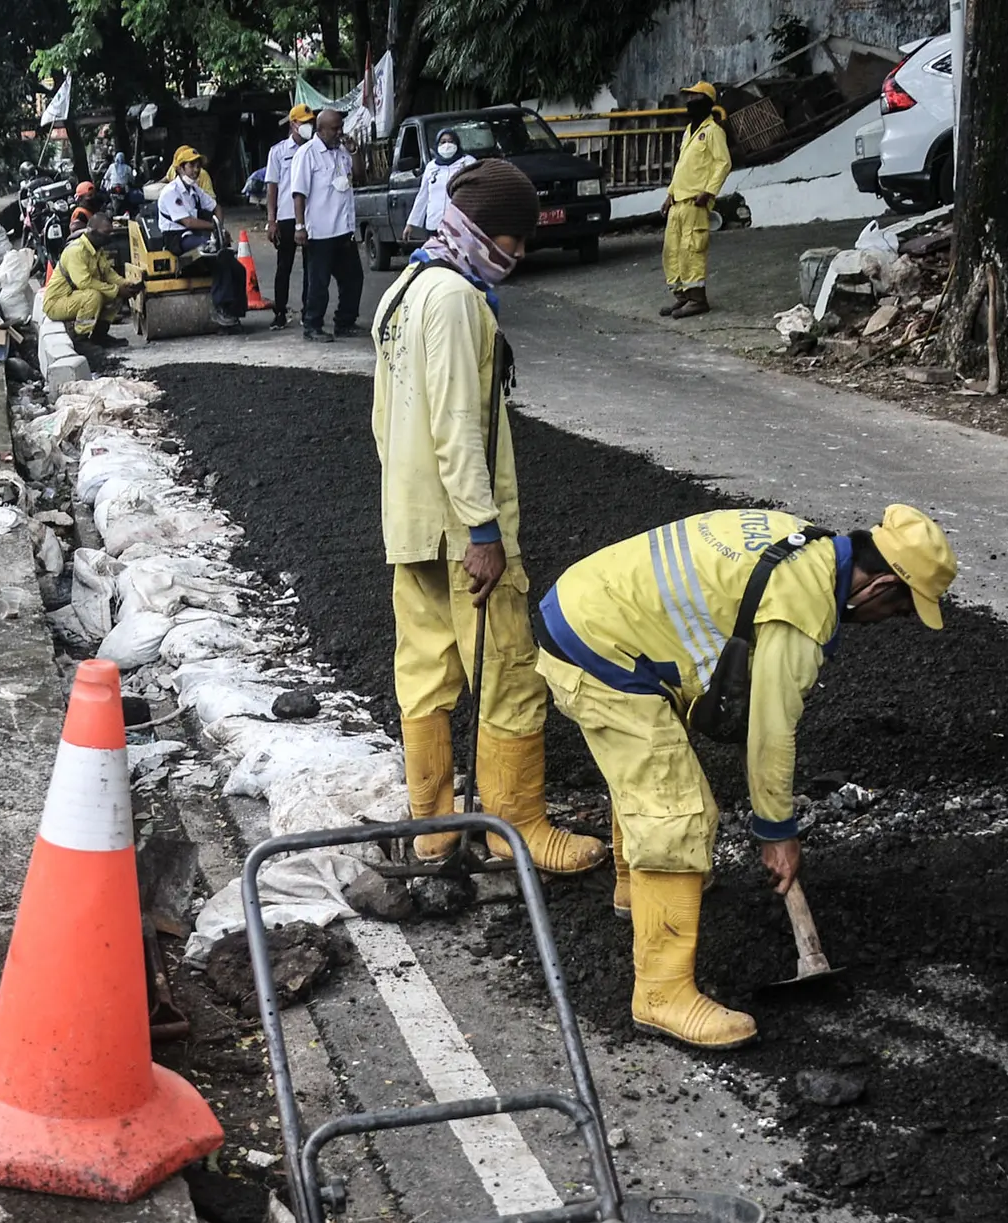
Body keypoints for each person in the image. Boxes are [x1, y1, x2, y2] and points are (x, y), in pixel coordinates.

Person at [536, 504, 957, 1049]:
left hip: (590, 604)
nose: (890, 623)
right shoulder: (803, 611)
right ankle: (661, 995)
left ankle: (634, 888)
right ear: (878, 588)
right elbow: (771, 733)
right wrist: (776, 833)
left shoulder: (802, 541)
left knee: (654, 770)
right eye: (900, 611)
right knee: (677, 809)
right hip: (601, 646)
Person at [371, 158, 608, 884]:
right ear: (481, 231)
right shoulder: (453, 300)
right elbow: (455, 425)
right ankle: (517, 828)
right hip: (456, 530)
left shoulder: (405, 289)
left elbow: (388, 419)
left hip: (410, 520)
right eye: (513, 238)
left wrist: (409, 502)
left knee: (424, 672)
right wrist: (481, 530)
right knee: (507, 669)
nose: (519, 253)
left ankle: (434, 831)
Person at [660, 82, 733, 319]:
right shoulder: (689, 131)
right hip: (678, 201)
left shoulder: (713, 132)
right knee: (673, 251)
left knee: (691, 250)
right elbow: (682, 166)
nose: (689, 102)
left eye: (694, 97)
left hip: (695, 202)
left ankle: (697, 299)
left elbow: (723, 163)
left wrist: (709, 192)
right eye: (688, 97)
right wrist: (670, 194)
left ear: (706, 102)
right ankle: (682, 297)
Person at [288, 107, 361, 343]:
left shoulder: (341, 152)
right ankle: (312, 326)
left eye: (341, 127)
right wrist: (299, 227)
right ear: (320, 130)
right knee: (318, 282)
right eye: (334, 129)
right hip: (319, 230)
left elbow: (358, 176)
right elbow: (299, 192)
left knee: (353, 278)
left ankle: (345, 322)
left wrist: (354, 151)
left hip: (344, 228)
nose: (339, 132)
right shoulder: (307, 153)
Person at [157, 145, 245, 331]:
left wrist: (219, 229)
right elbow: (188, 222)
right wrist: (214, 228)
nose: (196, 170)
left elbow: (217, 207)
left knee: (236, 266)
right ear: (180, 168)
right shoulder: (170, 192)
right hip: (177, 238)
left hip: (197, 235)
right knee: (216, 255)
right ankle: (220, 307)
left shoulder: (195, 190)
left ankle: (234, 312)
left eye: (198, 166)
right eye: (192, 166)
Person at [43, 205, 142, 352]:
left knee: (114, 296)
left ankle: (100, 335)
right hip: (56, 303)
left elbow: (108, 274)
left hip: (74, 297)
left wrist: (126, 284)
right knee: (93, 295)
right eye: (106, 233)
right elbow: (84, 283)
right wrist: (116, 290)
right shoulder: (76, 251)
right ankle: (81, 338)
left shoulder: (97, 249)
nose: (110, 236)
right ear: (93, 232)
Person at [261, 103, 314, 328]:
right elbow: (272, 188)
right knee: (284, 266)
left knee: (311, 267)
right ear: (293, 124)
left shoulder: (314, 149)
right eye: (304, 123)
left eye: (311, 122)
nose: (309, 127)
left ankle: (308, 311)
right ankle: (280, 312)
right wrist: (271, 220)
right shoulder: (279, 152)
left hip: (311, 215)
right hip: (286, 216)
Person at [402, 124, 476, 247]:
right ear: (437, 145)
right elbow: (423, 196)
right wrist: (410, 224)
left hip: (459, 225)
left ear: (457, 144)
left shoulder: (468, 163)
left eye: (451, 141)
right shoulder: (431, 167)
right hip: (434, 224)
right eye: (443, 142)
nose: (447, 145)